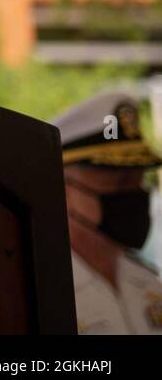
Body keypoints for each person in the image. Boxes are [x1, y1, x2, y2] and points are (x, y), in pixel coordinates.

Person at [53, 90, 162, 335]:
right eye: (121, 182)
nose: (135, 194)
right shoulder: (43, 291)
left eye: (139, 181)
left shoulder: (149, 285)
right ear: (66, 191)